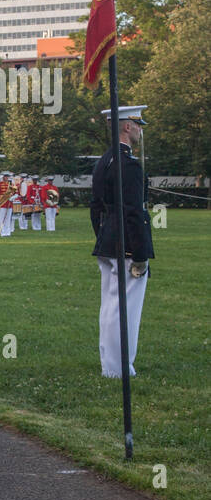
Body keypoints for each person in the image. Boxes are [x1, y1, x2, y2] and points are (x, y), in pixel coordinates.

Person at [91, 105, 154, 379]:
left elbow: (96, 208)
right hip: (126, 243)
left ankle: (111, 364)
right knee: (125, 308)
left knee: (111, 306)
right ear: (126, 127)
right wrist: (140, 252)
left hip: (108, 240)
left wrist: (103, 237)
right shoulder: (127, 164)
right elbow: (133, 211)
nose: (140, 130)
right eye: (137, 125)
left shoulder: (104, 160)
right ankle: (118, 369)